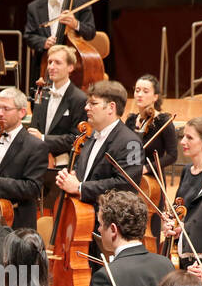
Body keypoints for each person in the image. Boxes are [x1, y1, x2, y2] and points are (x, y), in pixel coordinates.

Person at [53, 80, 142, 210]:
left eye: (93, 103)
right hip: (84, 213)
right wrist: (71, 176)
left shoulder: (130, 142)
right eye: (87, 103)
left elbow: (126, 184)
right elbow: (83, 171)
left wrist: (80, 187)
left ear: (111, 107)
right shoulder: (91, 135)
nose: (86, 107)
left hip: (108, 219)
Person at [0, 87, 47, 231]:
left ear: (21, 112)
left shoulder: (35, 146)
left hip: (18, 224)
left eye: (5, 108)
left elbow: (33, 188)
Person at [160, 117, 202, 265]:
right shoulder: (186, 170)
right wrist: (169, 219)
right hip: (178, 245)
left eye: (189, 137)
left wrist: (184, 227)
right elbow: (178, 206)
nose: (182, 141)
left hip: (196, 251)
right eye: (183, 136)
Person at [27, 45, 89, 158]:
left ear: (70, 67)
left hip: (63, 159)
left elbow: (76, 138)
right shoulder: (41, 93)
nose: (51, 66)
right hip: (37, 155)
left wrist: (43, 138)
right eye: (50, 62)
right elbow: (34, 128)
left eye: (57, 63)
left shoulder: (80, 99)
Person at [129, 75, 178, 172]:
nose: (139, 94)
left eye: (145, 91)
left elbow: (172, 155)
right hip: (130, 176)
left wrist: (147, 168)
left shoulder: (163, 121)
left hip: (152, 178)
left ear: (155, 97)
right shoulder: (131, 120)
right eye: (137, 90)